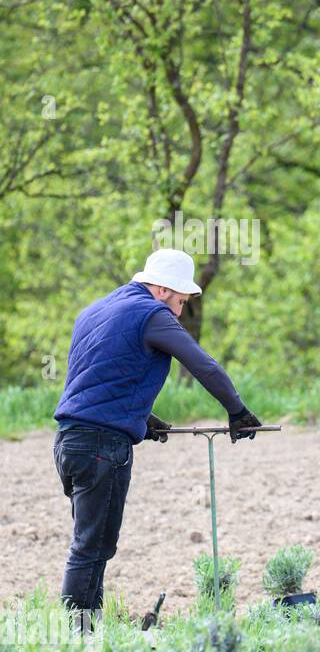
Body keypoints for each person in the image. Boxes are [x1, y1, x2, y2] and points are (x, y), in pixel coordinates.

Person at [51, 248, 262, 630]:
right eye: (180, 301)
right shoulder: (152, 314)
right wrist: (238, 411)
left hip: (69, 443)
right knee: (91, 548)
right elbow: (202, 364)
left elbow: (96, 382)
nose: (179, 312)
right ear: (163, 290)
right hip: (101, 448)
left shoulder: (94, 312)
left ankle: (88, 629)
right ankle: (75, 639)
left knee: (90, 545)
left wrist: (141, 419)